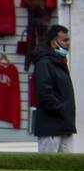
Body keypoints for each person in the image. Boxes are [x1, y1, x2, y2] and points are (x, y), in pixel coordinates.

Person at [32, 25, 76, 153]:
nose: (68, 44)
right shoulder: (44, 63)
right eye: (64, 40)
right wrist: (61, 109)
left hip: (64, 125)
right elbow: (44, 93)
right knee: (47, 167)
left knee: (69, 168)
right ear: (53, 42)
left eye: (68, 40)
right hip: (50, 127)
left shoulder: (59, 62)